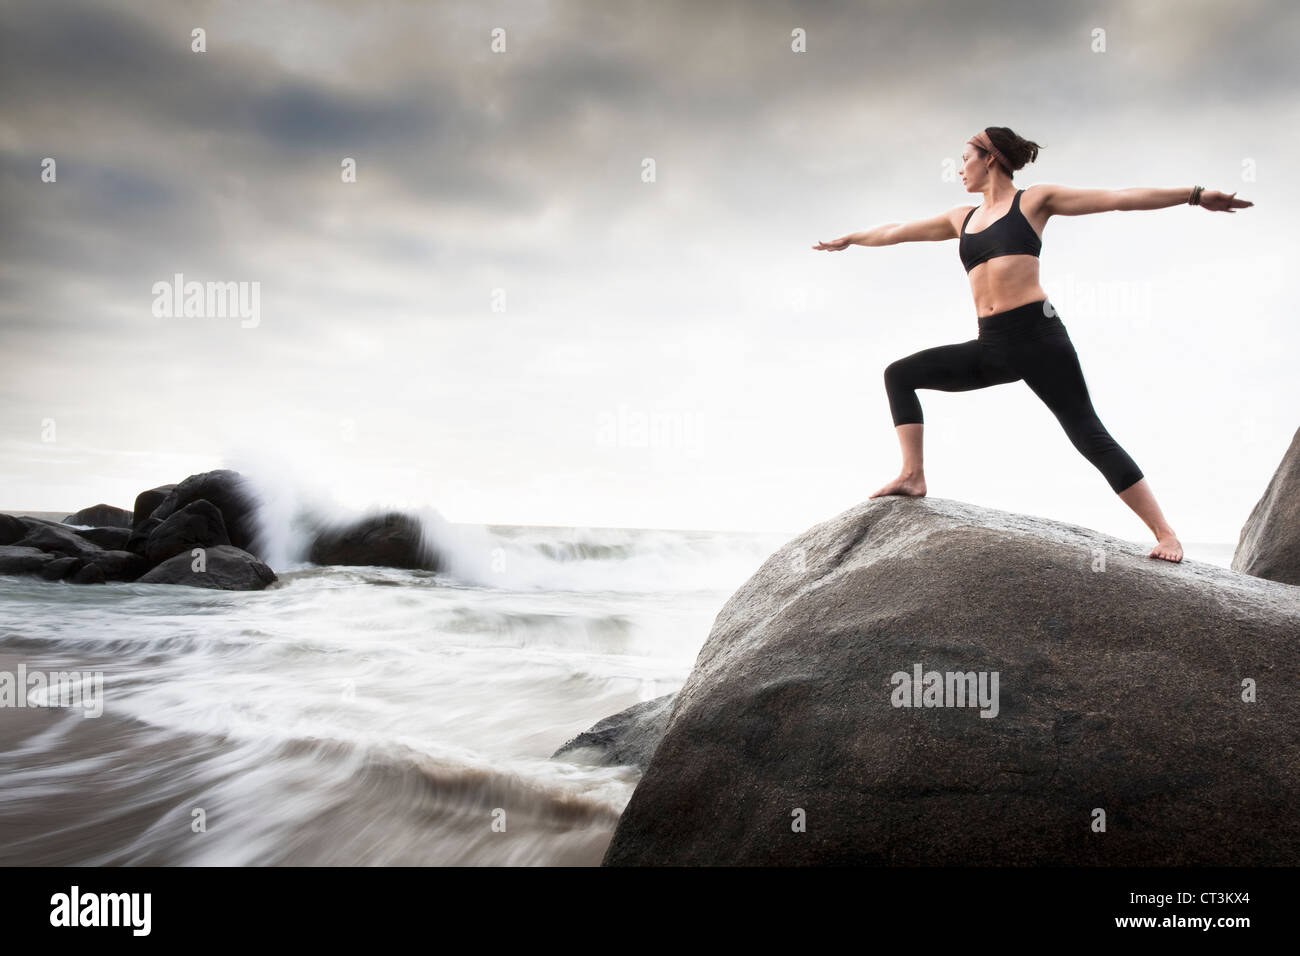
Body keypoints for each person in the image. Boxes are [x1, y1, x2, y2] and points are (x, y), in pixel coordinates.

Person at [812, 126, 1253, 562]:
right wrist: (851, 239)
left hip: (1040, 339)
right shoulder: (960, 218)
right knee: (900, 374)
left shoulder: (1034, 201)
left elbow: (1119, 199)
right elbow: (898, 230)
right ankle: (912, 475)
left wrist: (1195, 195)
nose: (959, 167)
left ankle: (1166, 534)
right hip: (992, 346)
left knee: (1088, 434)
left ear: (989, 158)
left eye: (965, 157)